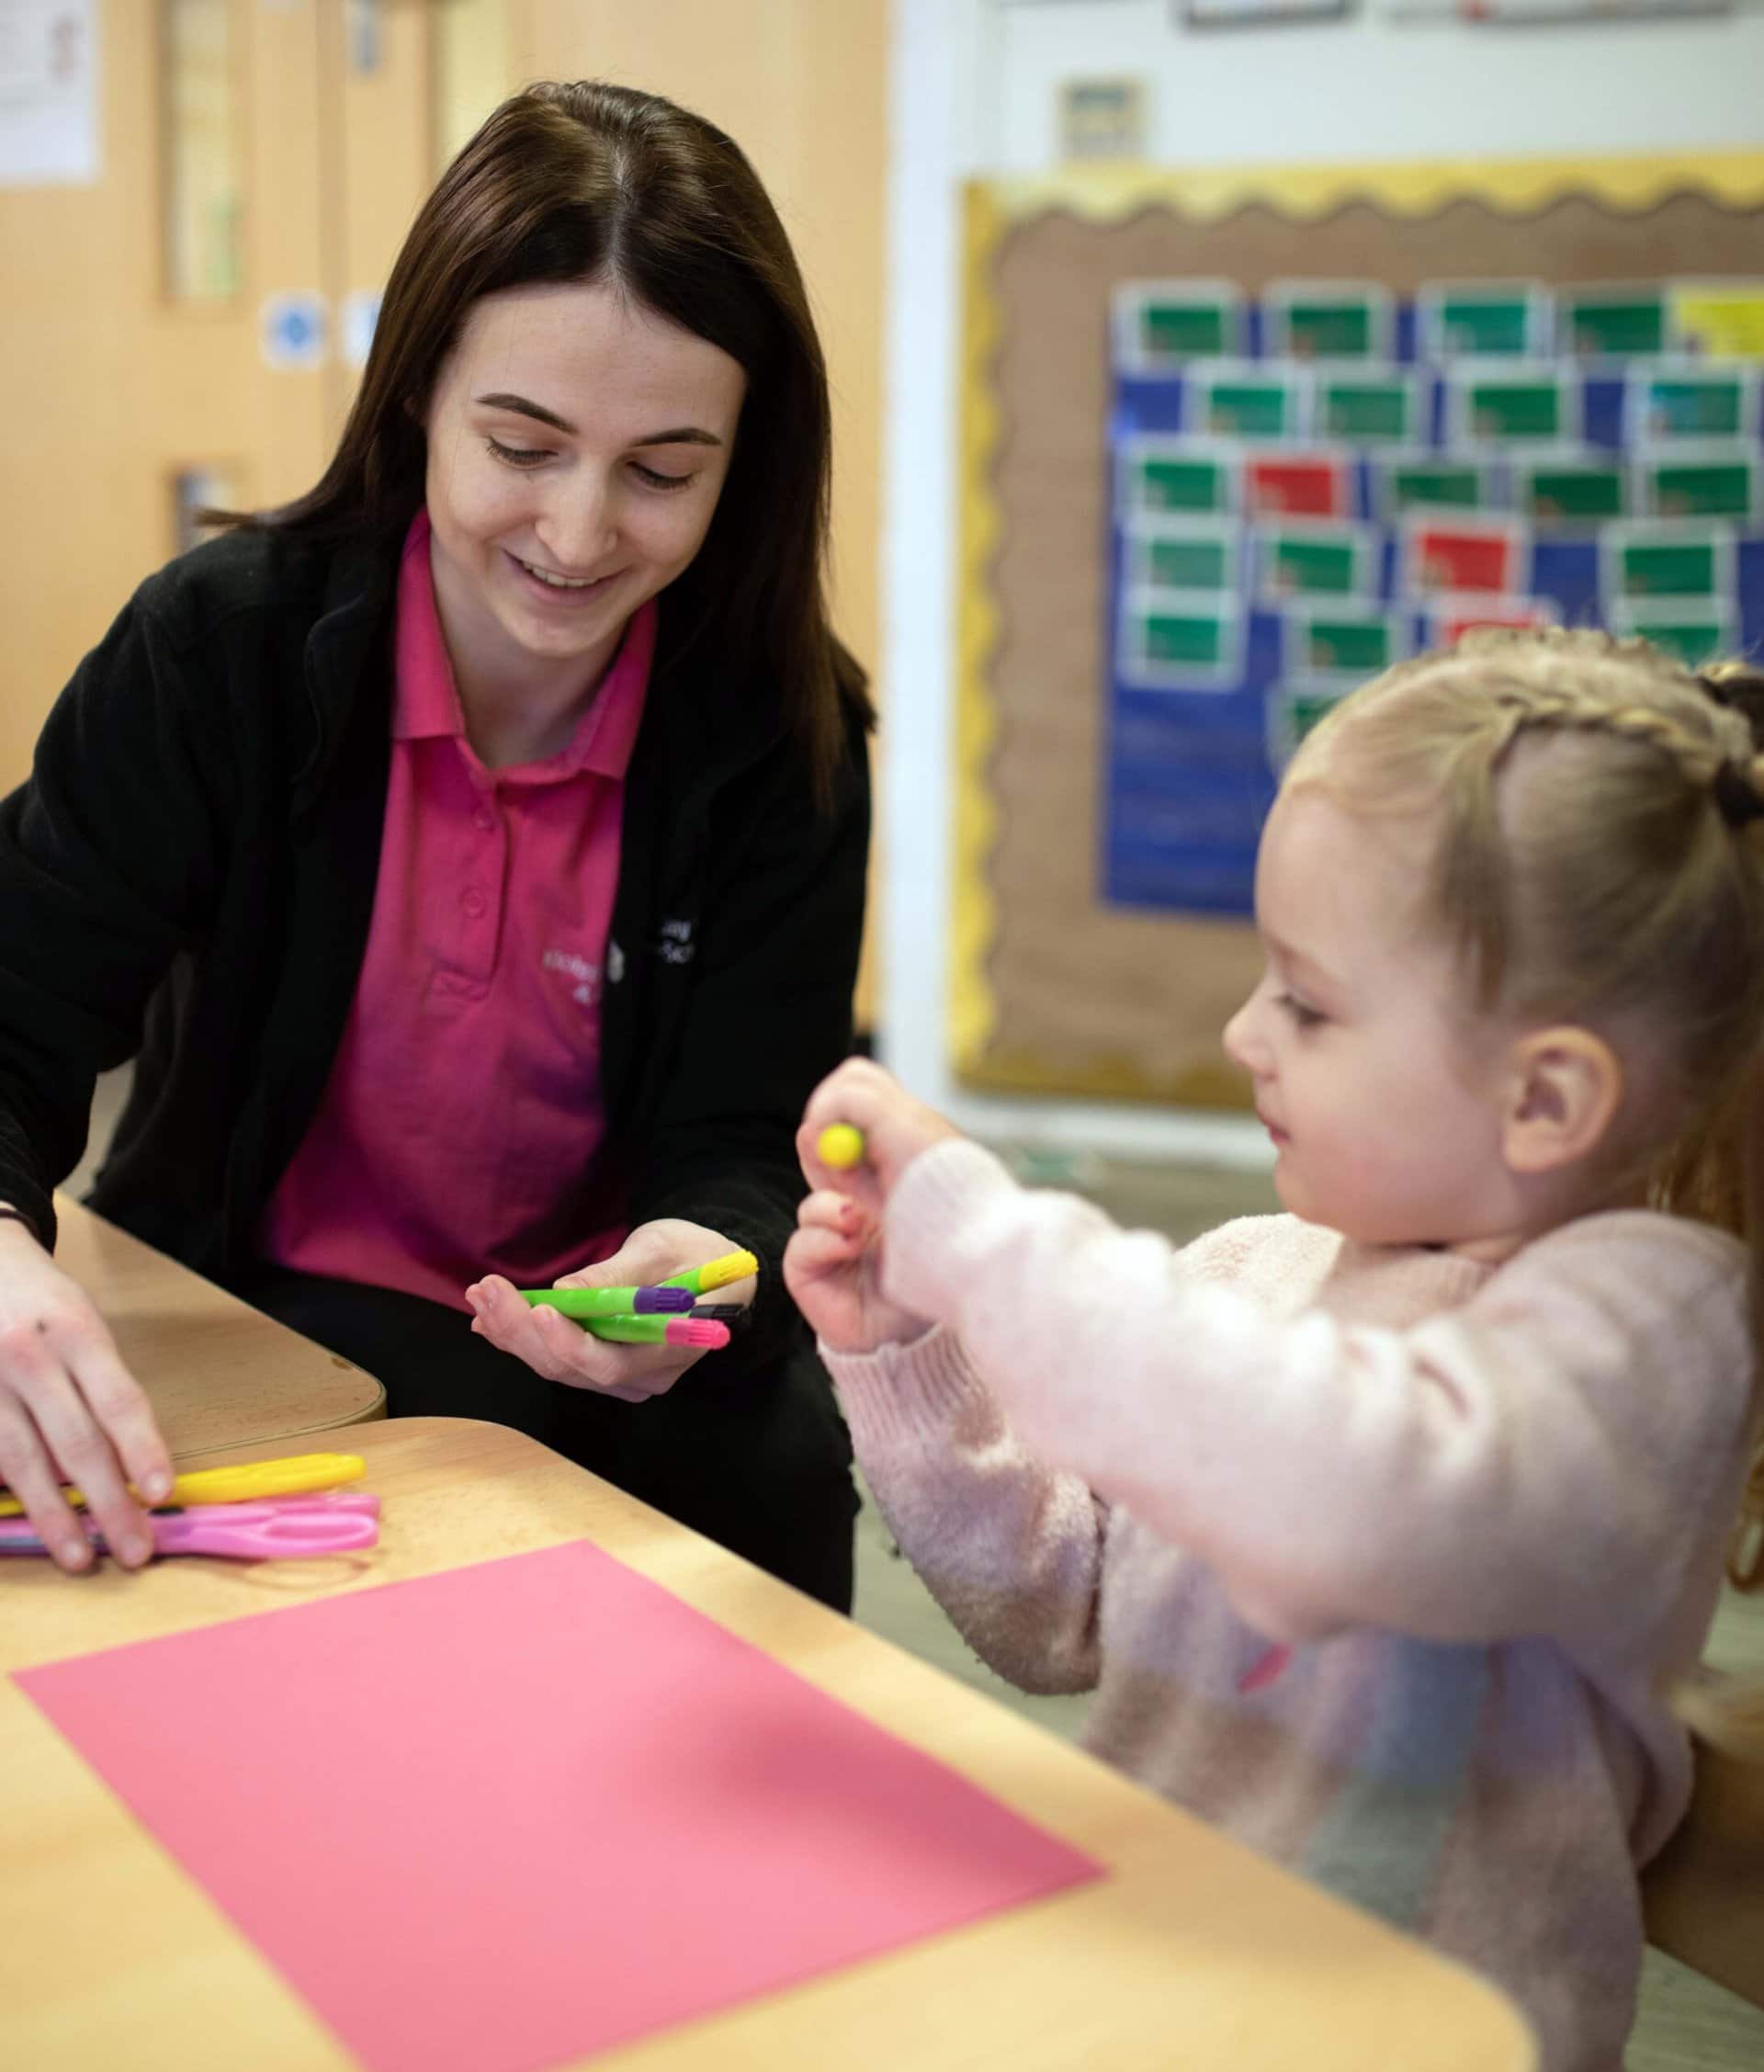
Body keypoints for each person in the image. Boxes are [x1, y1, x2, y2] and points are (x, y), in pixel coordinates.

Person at [786, 628, 1764, 2070]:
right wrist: (916, 1354)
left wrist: (989, 1241)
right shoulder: (1253, 1272)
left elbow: (1364, 1504)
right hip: (1151, 1995)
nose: (1246, 1034)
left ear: (1545, 1099)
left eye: (1309, 1002)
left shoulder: (1654, 1327)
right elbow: (1054, 1610)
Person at [0, 81, 873, 1609]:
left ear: (745, 467)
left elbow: (743, 1140)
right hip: (264, 1295)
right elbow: (16, 1002)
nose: (582, 532)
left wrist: (691, 1263)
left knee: (785, 1475)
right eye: (522, 444)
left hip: (597, 1351)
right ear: (417, 393)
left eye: (664, 471)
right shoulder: (228, 652)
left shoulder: (777, 736)